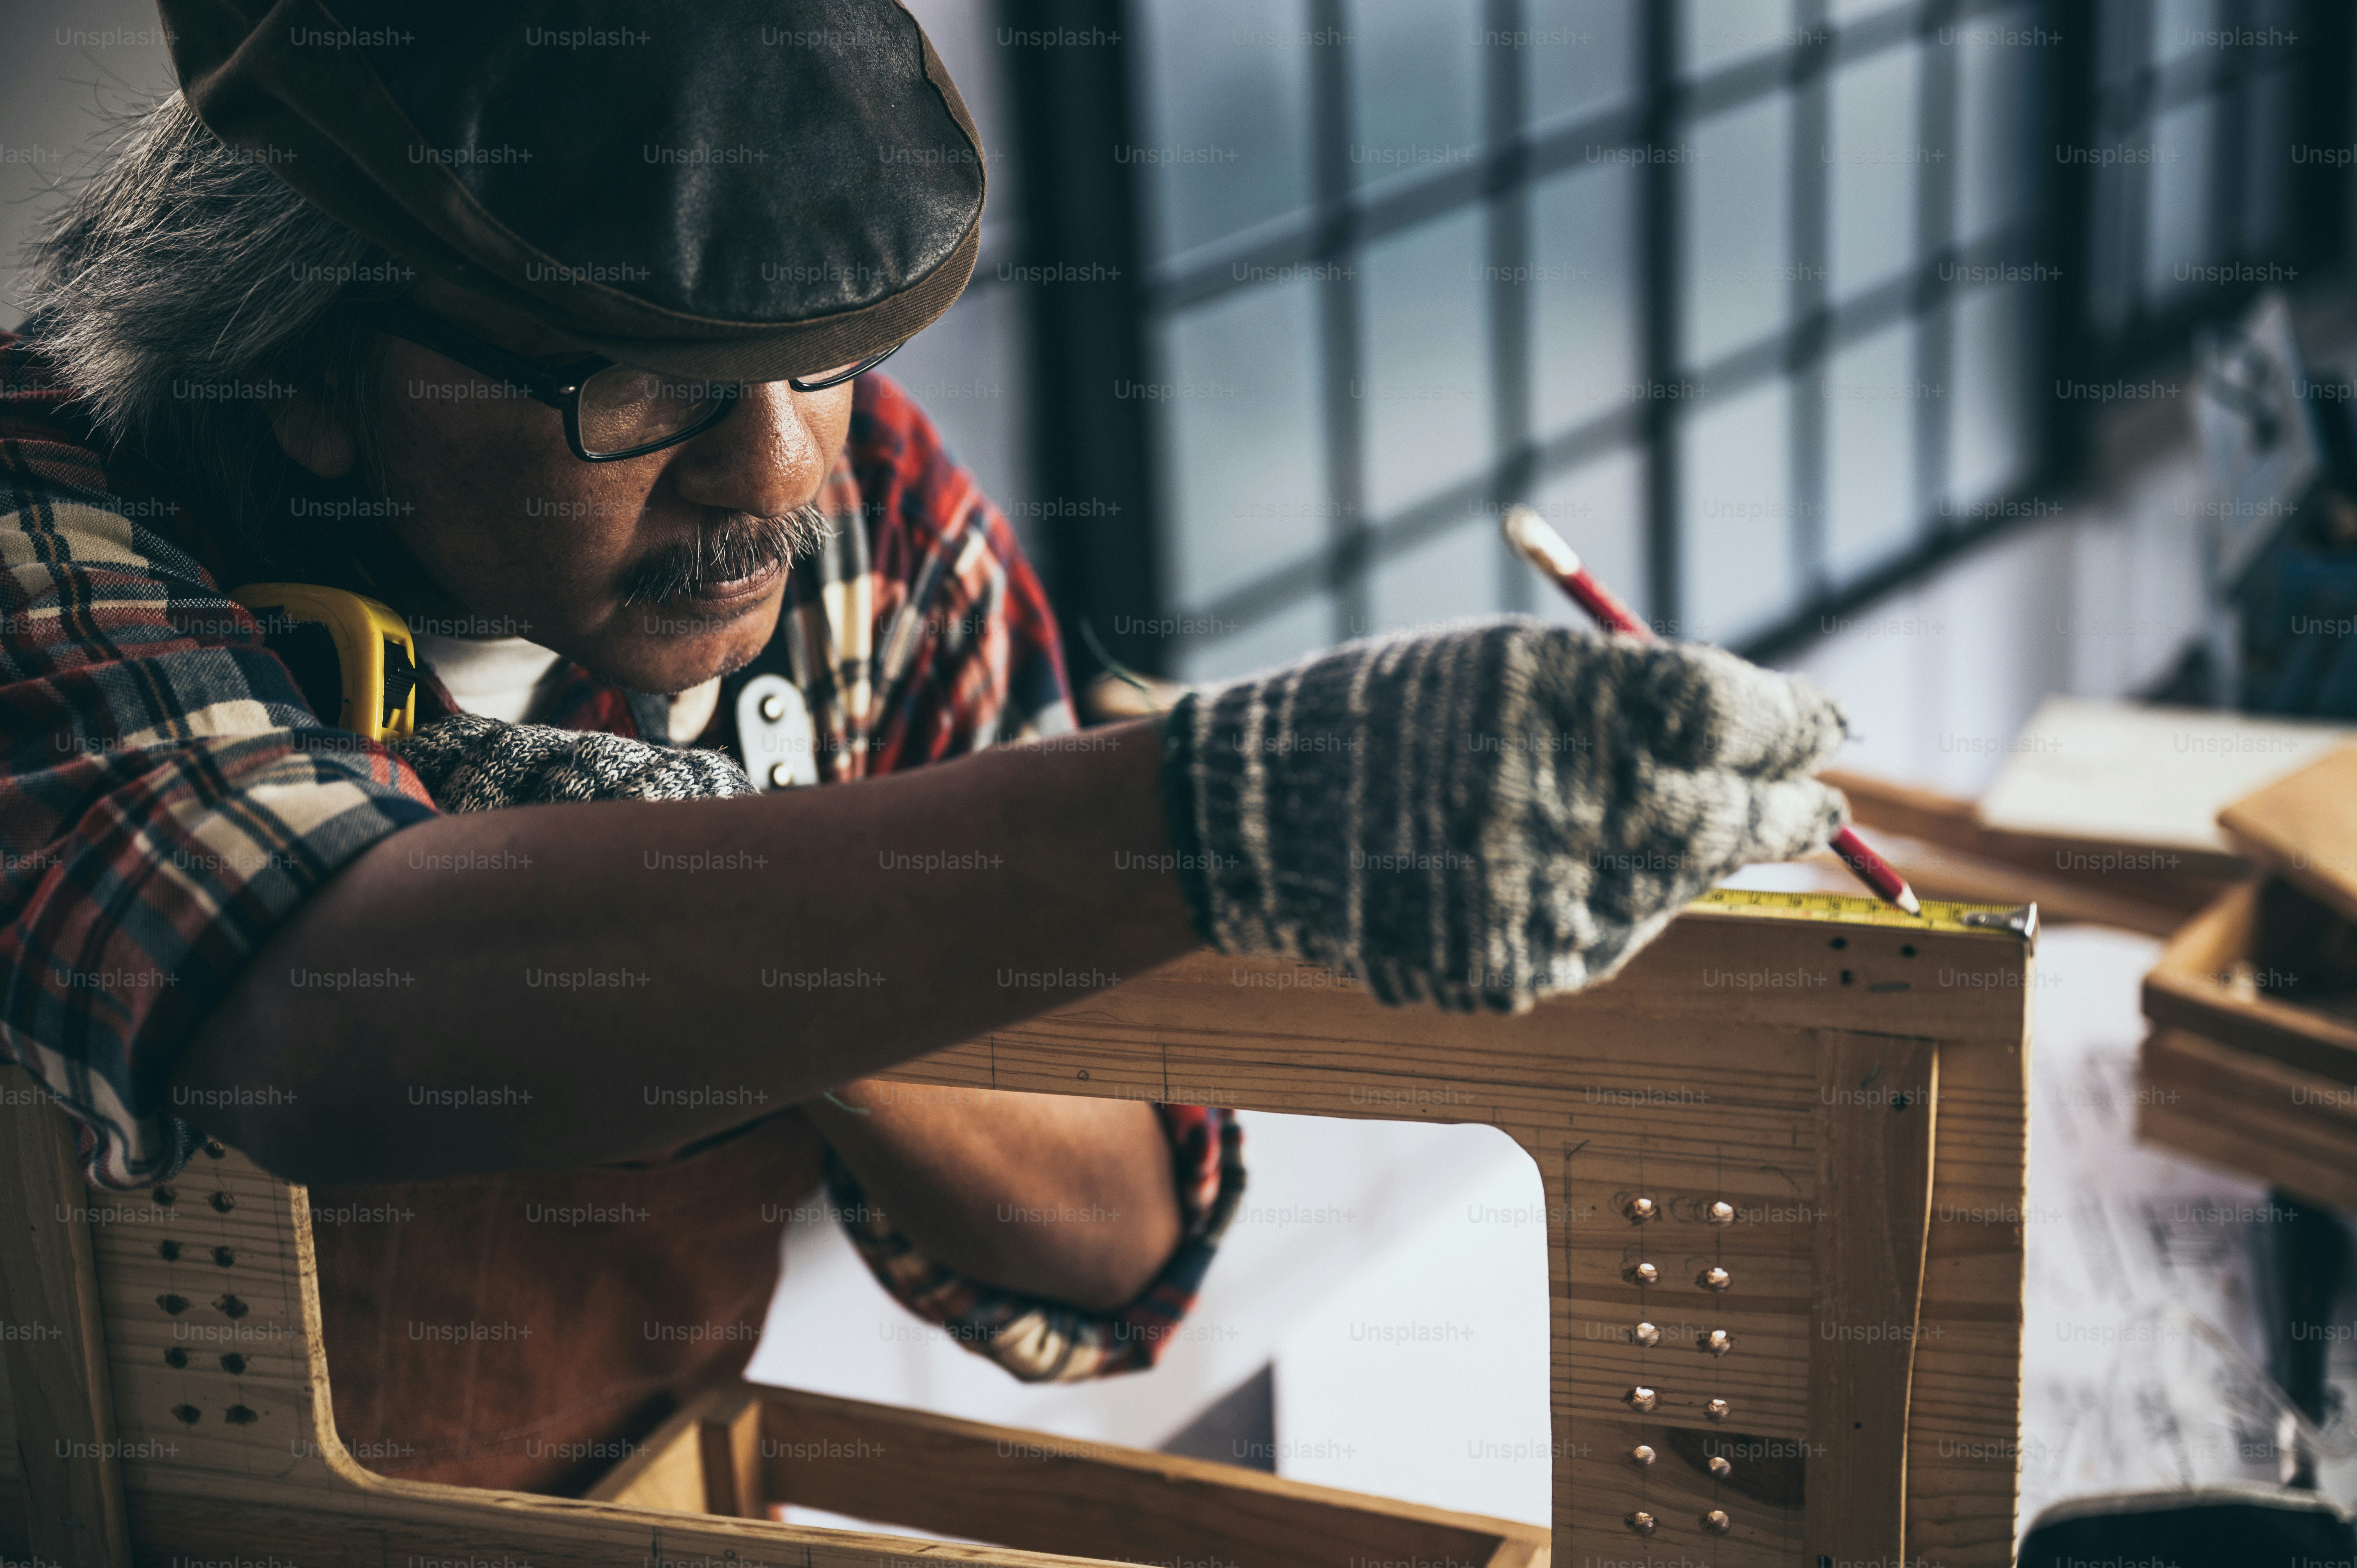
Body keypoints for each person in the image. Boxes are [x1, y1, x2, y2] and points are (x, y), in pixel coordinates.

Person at [0, 0, 1848, 1496]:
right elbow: (312, 1006)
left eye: (821, 352)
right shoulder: (46, 526)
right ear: (312, 374)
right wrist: (1223, 816)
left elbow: (1127, 1244)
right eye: (632, 382)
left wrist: (793, 984)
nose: (779, 475)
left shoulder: (863, 512)